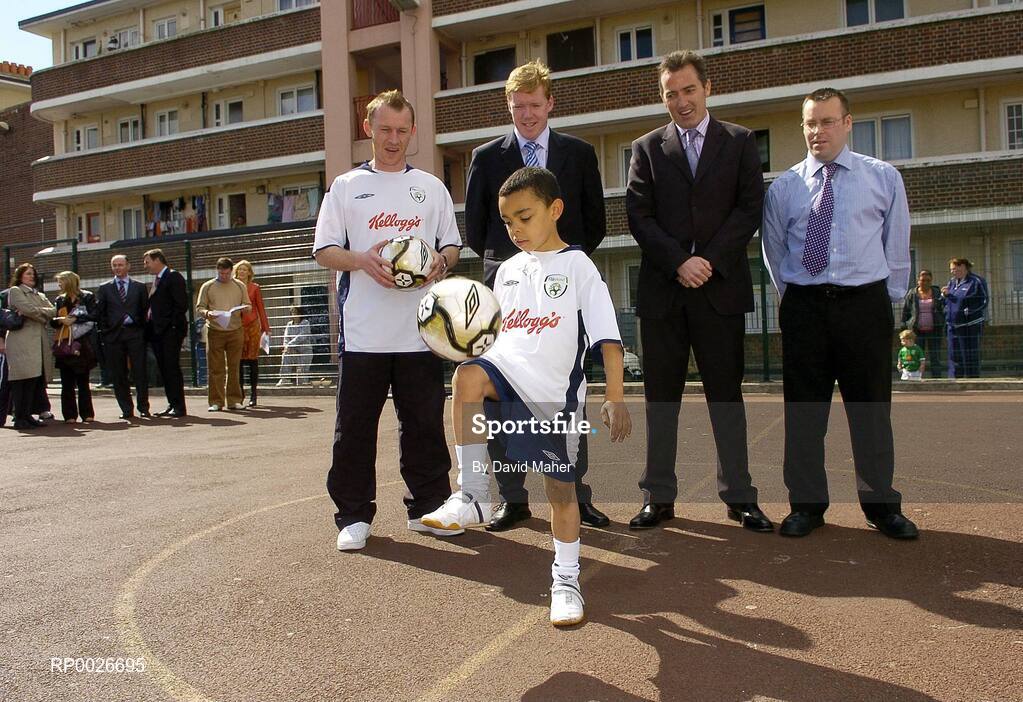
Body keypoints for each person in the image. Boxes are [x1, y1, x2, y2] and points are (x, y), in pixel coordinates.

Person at [420, 167, 631, 626]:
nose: (515, 230)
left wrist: (615, 395)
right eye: (507, 222)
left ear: (555, 210)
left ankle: (566, 577)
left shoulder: (578, 267)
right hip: (508, 380)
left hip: (554, 400)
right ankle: (472, 493)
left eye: (525, 217)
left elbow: (608, 340)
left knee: (560, 493)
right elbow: (492, 339)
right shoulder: (508, 271)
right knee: (467, 377)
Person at [625, 50, 772, 533]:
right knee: (660, 400)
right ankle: (658, 497)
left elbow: (749, 210)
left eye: (689, 90)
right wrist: (679, 262)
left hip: (719, 289)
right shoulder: (646, 148)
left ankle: (739, 496)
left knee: (725, 397)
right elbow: (639, 217)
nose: (682, 101)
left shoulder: (740, 142)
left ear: (708, 88)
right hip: (664, 294)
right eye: (671, 93)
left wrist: (707, 261)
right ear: (662, 97)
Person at [762, 86, 917, 540]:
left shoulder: (882, 177)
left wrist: (884, 300)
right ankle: (807, 506)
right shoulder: (785, 187)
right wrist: (794, 300)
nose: (818, 131)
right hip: (806, 307)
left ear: (848, 123)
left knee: (870, 410)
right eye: (810, 123)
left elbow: (897, 244)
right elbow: (774, 253)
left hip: (864, 305)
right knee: (805, 412)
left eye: (827, 121)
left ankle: (881, 505)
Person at [463, 58, 610, 531]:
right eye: (517, 106)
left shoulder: (579, 153)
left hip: (561, 291)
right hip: (505, 290)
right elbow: (475, 228)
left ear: (550, 103)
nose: (526, 114)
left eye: (533, 104)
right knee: (498, 395)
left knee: (568, 391)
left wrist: (559, 265)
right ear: (508, 106)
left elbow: (594, 222)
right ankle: (511, 495)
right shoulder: (486, 158)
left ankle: (575, 492)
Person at [313, 90, 461, 549]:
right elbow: (324, 251)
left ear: (412, 132)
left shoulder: (432, 188)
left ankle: (429, 506)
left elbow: (452, 246)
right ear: (368, 130)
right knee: (355, 428)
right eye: (385, 130)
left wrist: (440, 262)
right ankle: (353, 516)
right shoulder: (345, 187)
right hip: (364, 336)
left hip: (420, 333)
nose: (393, 139)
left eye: (401, 130)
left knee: (424, 423)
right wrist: (362, 261)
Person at [96, 254, 151, 420]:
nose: (117, 268)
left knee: (140, 371)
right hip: (114, 335)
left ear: (128, 266)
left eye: (120, 265)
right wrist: (106, 330)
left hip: (135, 333)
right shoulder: (105, 288)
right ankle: (126, 409)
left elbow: (144, 309)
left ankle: (143, 407)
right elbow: (101, 313)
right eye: (114, 265)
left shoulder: (139, 287)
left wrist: (141, 328)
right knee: (118, 374)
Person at [195, 257, 250, 412]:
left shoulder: (240, 286)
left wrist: (245, 308)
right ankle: (216, 401)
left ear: (231, 271)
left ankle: (234, 400)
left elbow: (248, 305)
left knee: (234, 367)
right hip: (214, 330)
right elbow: (200, 307)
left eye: (226, 273)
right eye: (221, 273)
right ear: (217, 271)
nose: (224, 276)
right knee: (215, 368)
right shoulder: (208, 286)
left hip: (235, 330)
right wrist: (208, 313)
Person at [5, 264, 56, 430]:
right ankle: (19, 417)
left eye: (33, 274)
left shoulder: (39, 294)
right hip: (21, 341)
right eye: (28, 274)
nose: (31, 277)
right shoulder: (16, 291)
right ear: (20, 276)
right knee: (21, 380)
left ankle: (27, 415)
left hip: (37, 341)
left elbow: (53, 311)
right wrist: (41, 315)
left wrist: (36, 313)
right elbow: (26, 309)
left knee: (33, 380)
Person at [143, 249, 189, 417]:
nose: (145, 265)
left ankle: (179, 406)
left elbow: (181, 305)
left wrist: (172, 327)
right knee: (164, 368)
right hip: (157, 333)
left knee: (171, 368)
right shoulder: (157, 280)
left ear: (157, 260)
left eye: (147, 261)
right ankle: (172, 403)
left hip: (169, 332)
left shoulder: (173, 277)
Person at [50, 271, 98, 423]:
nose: (59, 284)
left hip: (82, 344)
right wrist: (61, 320)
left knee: (83, 381)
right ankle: (70, 415)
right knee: (67, 382)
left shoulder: (87, 297)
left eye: (61, 281)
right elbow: (52, 320)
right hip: (65, 344)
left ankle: (87, 414)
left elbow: (94, 315)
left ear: (69, 282)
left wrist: (76, 318)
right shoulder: (59, 300)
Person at [943, 257, 988, 379]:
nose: (952, 272)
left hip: (970, 325)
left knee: (970, 354)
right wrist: (945, 297)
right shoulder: (952, 282)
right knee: (954, 355)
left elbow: (983, 300)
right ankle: (954, 380)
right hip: (953, 325)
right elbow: (951, 300)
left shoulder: (976, 281)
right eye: (951, 269)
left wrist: (969, 312)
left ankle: (972, 380)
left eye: (954, 269)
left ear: (963, 267)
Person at [233, 260, 271, 406]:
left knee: (252, 360)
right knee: (239, 361)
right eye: (240, 269)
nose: (242, 272)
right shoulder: (233, 287)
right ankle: (240, 392)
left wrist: (266, 328)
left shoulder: (255, 287)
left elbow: (260, 307)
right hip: (237, 326)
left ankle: (253, 394)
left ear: (249, 272)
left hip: (253, 326)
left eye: (245, 270)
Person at [901, 269, 944, 378]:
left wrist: (942, 322)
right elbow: (906, 311)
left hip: (934, 330)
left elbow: (943, 309)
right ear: (918, 281)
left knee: (935, 356)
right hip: (916, 331)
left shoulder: (937, 293)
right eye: (922, 280)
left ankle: (937, 379)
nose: (925, 283)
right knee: (916, 356)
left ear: (931, 281)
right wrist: (904, 327)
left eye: (928, 280)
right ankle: (916, 378)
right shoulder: (912, 293)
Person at [277, 305, 312, 386]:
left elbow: (302, 337)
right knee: (285, 355)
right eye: (292, 313)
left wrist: (290, 345)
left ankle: (303, 381)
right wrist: (287, 347)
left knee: (301, 380)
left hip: (304, 351)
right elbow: (286, 338)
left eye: (296, 313)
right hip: (292, 350)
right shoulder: (289, 324)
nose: (294, 315)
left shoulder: (305, 323)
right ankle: (284, 379)